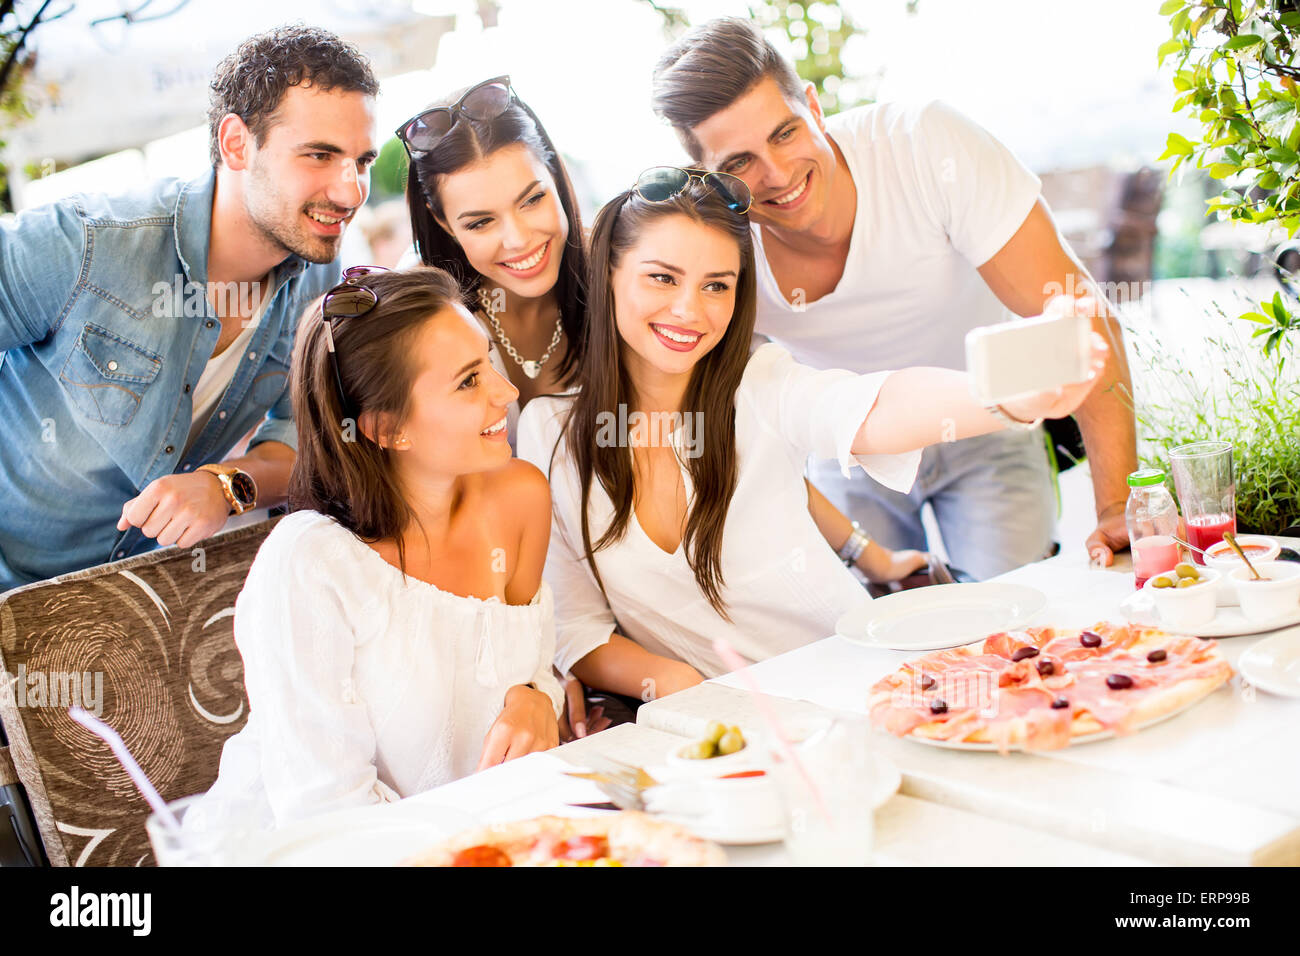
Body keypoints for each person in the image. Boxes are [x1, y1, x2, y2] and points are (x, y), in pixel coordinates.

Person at [517, 172, 1105, 692]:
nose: (690, 311)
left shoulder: (761, 384)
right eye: (662, 278)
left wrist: (1004, 394)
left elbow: (869, 408)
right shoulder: (550, 433)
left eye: (716, 284)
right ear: (610, 272)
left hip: (865, 686)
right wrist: (674, 682)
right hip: (723, 735)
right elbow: (577, 627)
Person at [650, 18, 1138, 580]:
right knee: (881, 638)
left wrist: (1116, 507)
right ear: (707, 178)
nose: (778, 174)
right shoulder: (715, 247)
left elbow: (1084, 327)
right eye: (738, 164)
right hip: (849, 454)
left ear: (813, 105)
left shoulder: (926, 144)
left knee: (1022, 623)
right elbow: (729, 414)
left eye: (785, 132)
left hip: (990, 425)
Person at [0, 26, 378, 593]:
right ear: (235, 144)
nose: (350, 192)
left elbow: (305, 442)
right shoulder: (86, 242)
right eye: (319, 155)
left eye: (361, 161)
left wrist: (227, 486)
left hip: (138, 601)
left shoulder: (322, 280)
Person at [188, 267, 564, 831]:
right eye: (468, 381)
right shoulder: (310, 564)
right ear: (387, 429)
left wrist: (538, 696)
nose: (506, 392)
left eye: (488, 360)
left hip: (481, 834)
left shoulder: (521, 495)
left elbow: (532, 665)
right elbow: (329, 812)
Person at [398, 75, 589, 444]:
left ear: (556, 173)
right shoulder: (416, 314)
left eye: (532, 200)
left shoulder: (621, 271)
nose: (518, 240)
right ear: (443, 222)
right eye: (481, 222)